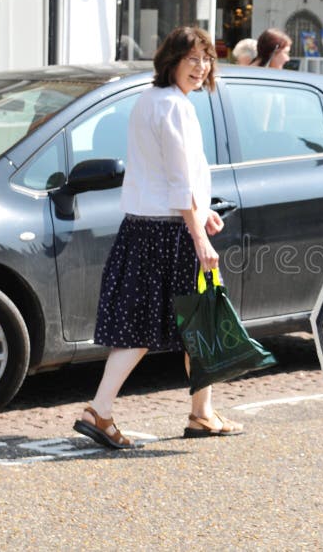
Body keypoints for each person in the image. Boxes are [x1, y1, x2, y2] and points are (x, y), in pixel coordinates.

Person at [73, 26, 244, 450]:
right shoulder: (174, 107)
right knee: (174, 322)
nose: (200, 68)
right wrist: (198, 234)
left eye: (206, 60)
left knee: (193, 320)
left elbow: (165, 176)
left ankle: (201, 413)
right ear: (170, 61)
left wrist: (202, 216)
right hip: (168, 232)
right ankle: (100, 409)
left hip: (148, 225)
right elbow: (179, 178)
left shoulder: (148, 101)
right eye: (192, 59)